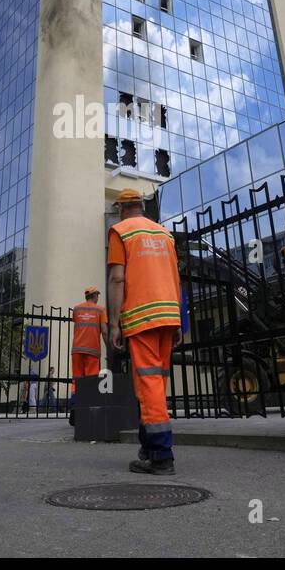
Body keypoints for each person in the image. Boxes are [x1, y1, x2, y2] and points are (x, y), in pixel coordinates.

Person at [107, 188, 182, 475]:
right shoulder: (164, 234)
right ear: (141, 206)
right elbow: (175, 276)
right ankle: (149, 449)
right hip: (168, 315)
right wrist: (178, 322)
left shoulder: (120, 231)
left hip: (142, 316)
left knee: (148, 385)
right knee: (154, 385)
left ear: (122, 208)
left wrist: (114, 323)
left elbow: (116, 278)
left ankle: (162, 455)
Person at [68, 286, 106, 425]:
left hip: (77, 350)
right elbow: (105, 331)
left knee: (77, 382)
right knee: (91, 382)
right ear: (95, 295)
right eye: (97, 295)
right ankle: (89, 413)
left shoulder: (77, 309)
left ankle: (74, 409)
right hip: (92, 351)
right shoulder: (100, 310)